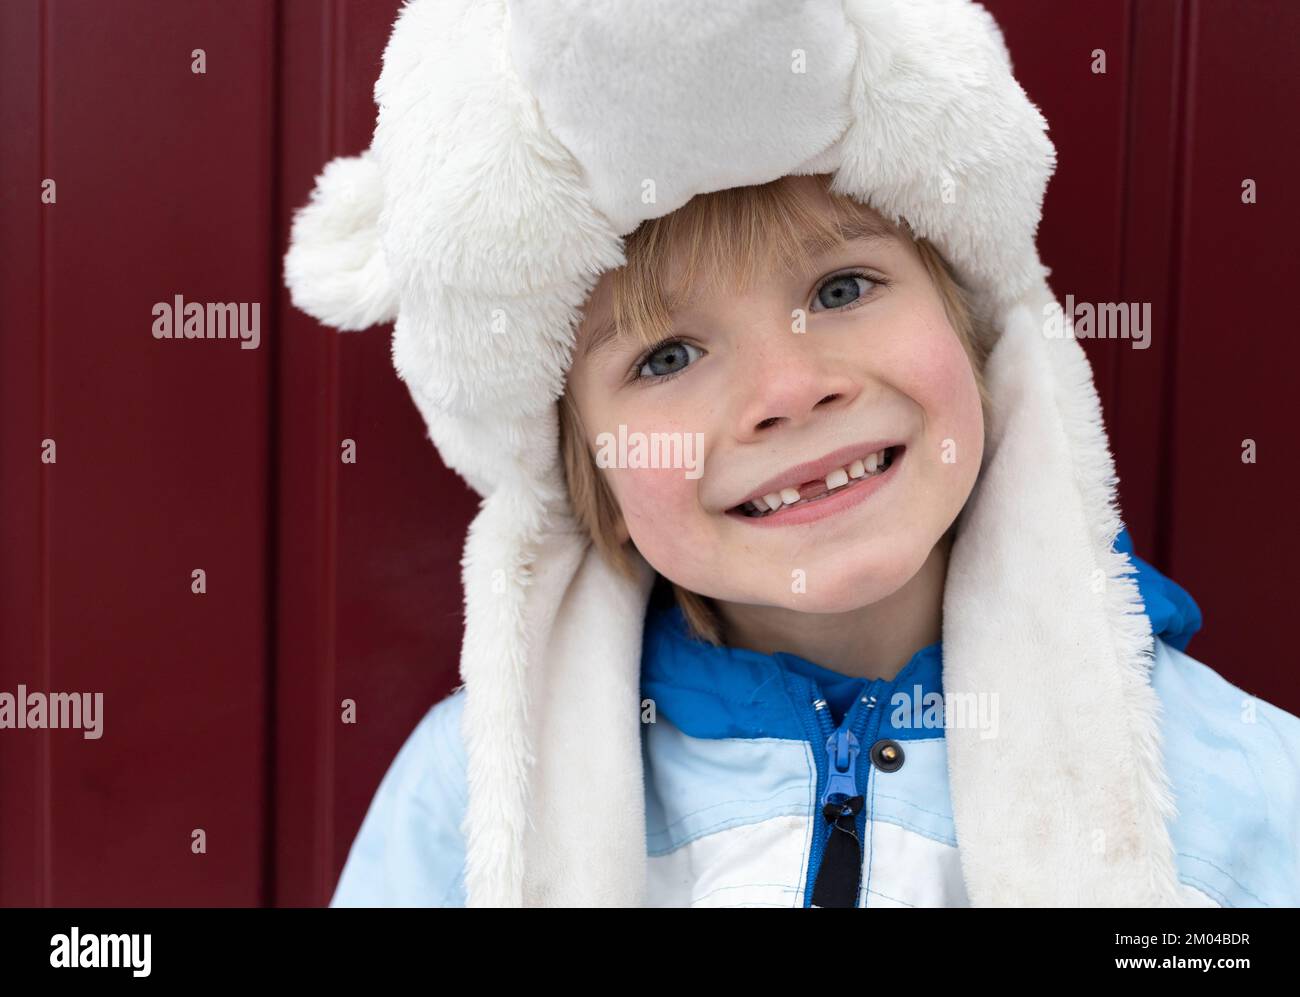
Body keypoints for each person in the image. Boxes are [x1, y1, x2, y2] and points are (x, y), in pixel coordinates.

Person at [285, 0, 1300, 907]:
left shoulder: (1234, 793)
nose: (787, 389)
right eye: (666, 356)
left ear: (973, 329)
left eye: (841, 290)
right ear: (582, 469)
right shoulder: (472, 805)